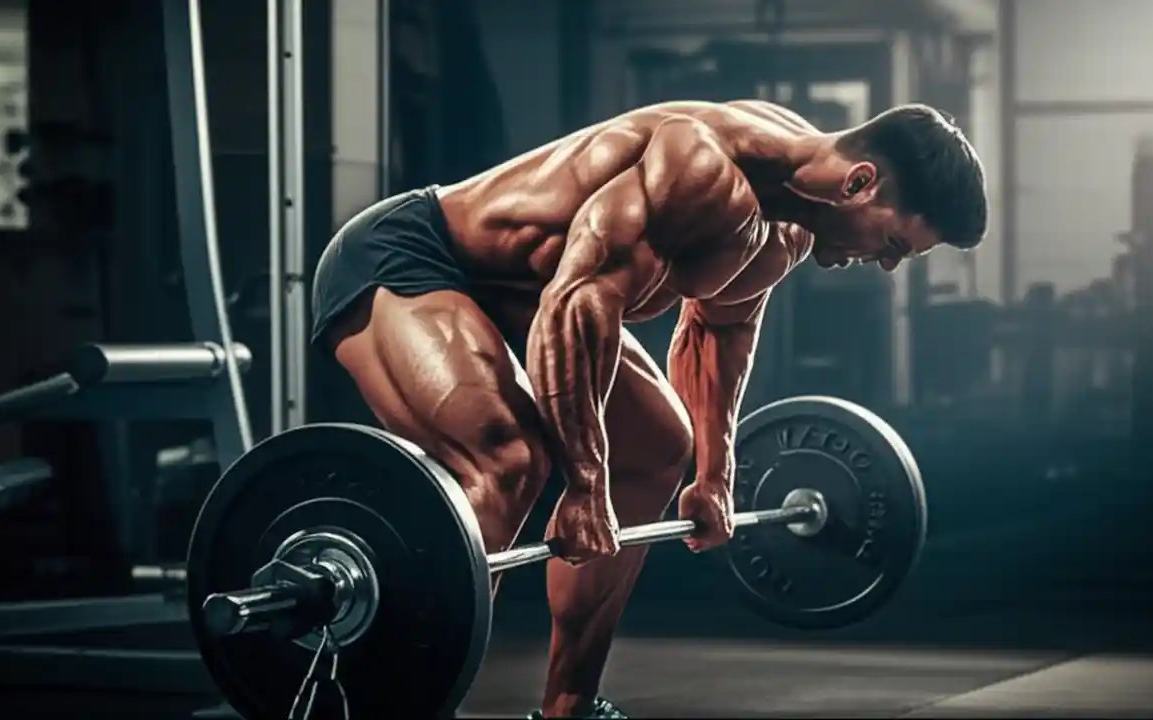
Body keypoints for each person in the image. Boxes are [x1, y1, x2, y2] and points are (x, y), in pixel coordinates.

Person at [310, 100, 987, 718]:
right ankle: (407, 703)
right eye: (895, 245)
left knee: (663, 444)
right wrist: (582, 483)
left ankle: (569, 707)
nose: (888, 266)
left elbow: (717, 332)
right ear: (859, 182)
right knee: (505, 457)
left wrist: (714, 474)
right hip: (412, 258)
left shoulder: (788, 229)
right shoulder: (700, 165)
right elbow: (578, 301)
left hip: (524, 291)